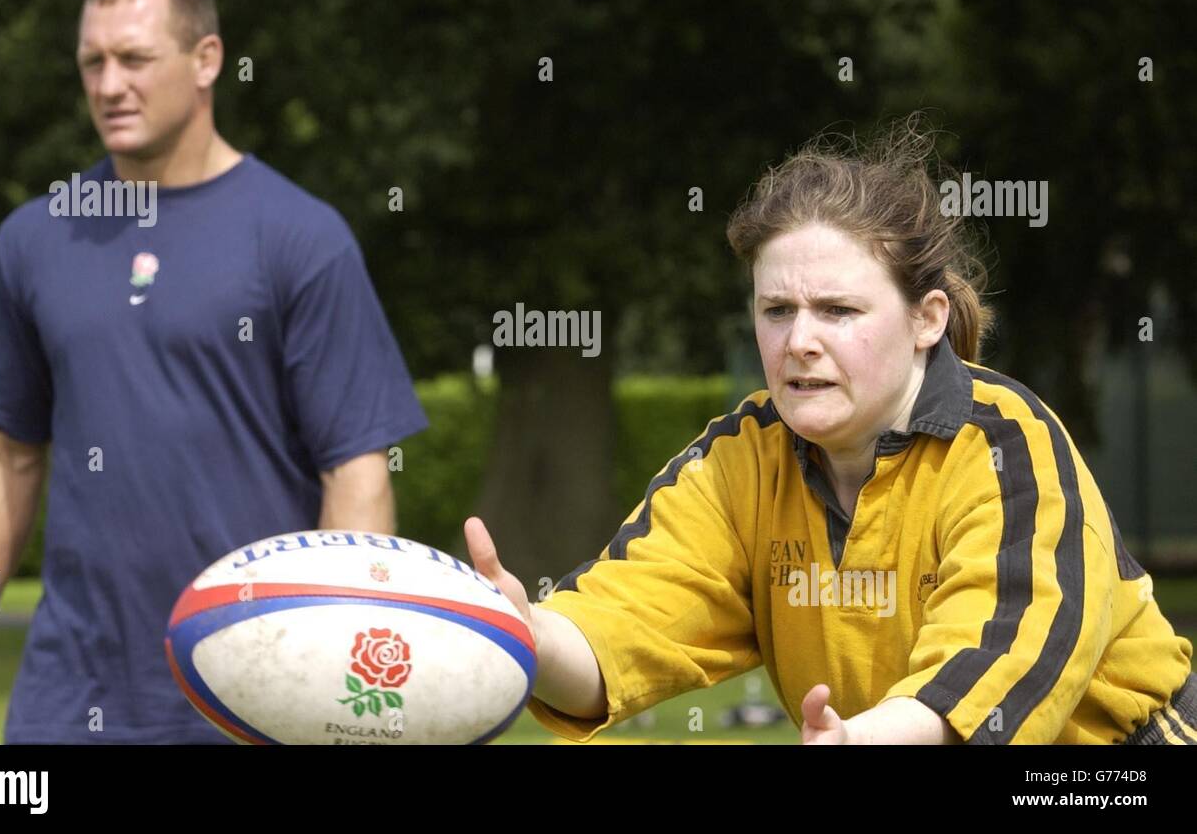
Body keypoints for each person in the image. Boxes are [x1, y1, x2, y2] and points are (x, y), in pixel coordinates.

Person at [465, 117, 1195, 745]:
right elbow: (621, 625)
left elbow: (995, 660)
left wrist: (868, 735)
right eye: (777, 310)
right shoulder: (739, 463)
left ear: (927, 319)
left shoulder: (1007, 447)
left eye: (838, 311)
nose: (799, 341)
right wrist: (522, 632)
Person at [0, 0, 427, 745]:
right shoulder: (33, 240)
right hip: (68, 700)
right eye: (93, 61)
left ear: (206, 61)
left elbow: (355, 471)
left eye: (134, 58)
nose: (109, 84)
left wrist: (335, 668)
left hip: (253, 696)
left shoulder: (300, 238)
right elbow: (5, 454)